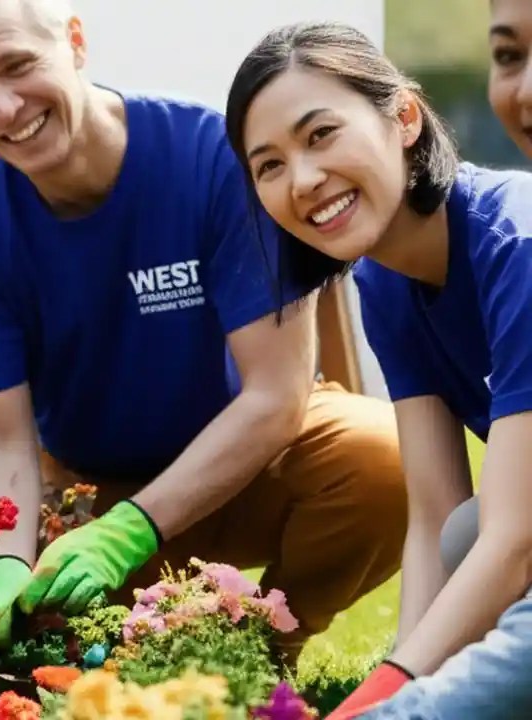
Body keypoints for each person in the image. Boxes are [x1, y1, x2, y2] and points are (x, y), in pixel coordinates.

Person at [0, 0, 409, 668]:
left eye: (18, 65)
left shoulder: (213, 157)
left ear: (76, 42)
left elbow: (277, 395)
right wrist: (7, 561)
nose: (3, 107)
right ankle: (147, 658)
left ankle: (261, 656)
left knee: (385, 460)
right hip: (89, 495)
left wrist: (132, 532)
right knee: (32, 647)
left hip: (253, 466)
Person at [224, 15, 532, 719]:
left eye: (320, 134)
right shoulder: (384, 282)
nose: (302, 179)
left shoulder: (517, 244)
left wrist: (393, 695)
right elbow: (433, 515)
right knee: (462, 535)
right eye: (269, 165)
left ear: (404, 117)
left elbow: (515, 542)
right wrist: (407, 668)